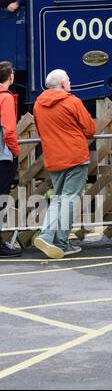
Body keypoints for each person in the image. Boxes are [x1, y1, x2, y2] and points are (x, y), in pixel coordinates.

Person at [30, 69, 97, 259]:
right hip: (75, 155)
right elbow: (90, 129)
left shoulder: (38, 104)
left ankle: (46, 235)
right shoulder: (72, 101)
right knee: (69, 200)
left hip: (53, 157)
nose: (70, 83)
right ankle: (61, 243)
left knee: (58, 199)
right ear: (61, 84)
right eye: (68, 80)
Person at [0, 62, 21, 257]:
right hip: (2, 157)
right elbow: (8, 130)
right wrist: (16, 151)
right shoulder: (5, 98)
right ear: (11, 77)